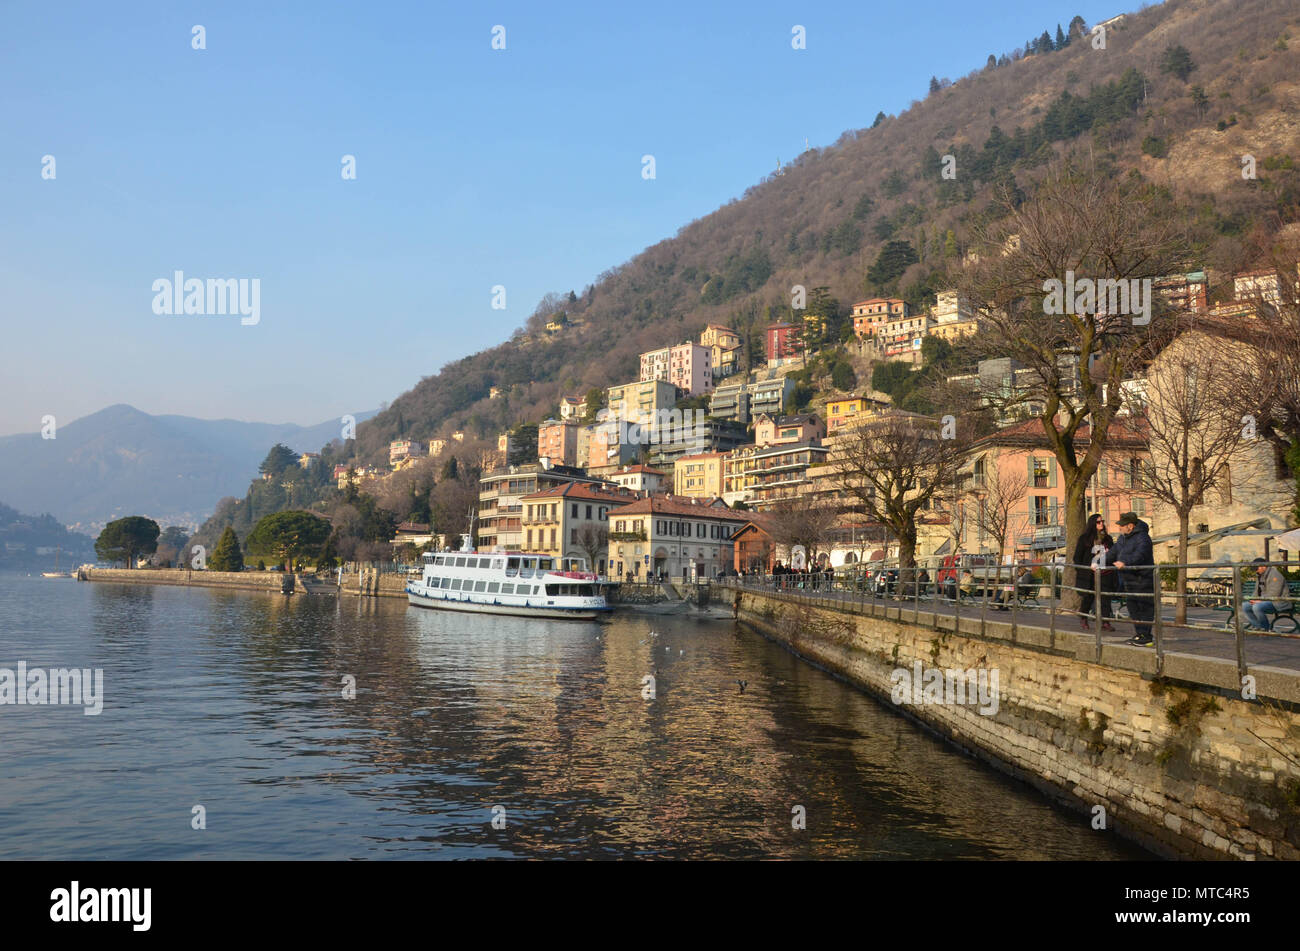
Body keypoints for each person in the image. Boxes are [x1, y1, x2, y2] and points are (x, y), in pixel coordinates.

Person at [1106, 512, 1156, 646]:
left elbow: (1141, 554)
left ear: (1130, 526)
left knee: (1145, 608)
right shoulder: (1122, 539)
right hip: (1129, 580)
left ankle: (1147, 636)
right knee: (1133, 608)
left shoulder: (1143, 538)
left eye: (1122, 526)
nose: (1119, 528)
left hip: (1143, 579)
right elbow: (1112, 552)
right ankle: (1140, 634)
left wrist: (1125, 562)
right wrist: (1097, 562)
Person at [1073, 514, 1116, 631]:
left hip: (1105, 573)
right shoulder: (1084, 539)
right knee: (1088, 597)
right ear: (1093, 524)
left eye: (1102, 521)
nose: (1101, 523)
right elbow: (1077, 558)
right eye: (1098, 522)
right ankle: (1084, 618)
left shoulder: (1108, 539)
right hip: (1090, 574)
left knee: (1105, 598)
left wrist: (1109, 554)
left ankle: (1105, 622)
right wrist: (1087, 567)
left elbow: (1113, 554)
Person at [1240, 558, 1292, 630]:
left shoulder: (1275, 574)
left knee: (1257, 607)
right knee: (1244, 606)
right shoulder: (1260, 575)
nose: (1256, 571)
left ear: (1263, 566)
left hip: (1278, 602)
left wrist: (1260, 601)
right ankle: (1257, 626)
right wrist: (1252, 599)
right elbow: (1256, 590)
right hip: (1265, 600)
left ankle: (1265, 628)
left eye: (1256, 568)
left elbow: (1275, 594)